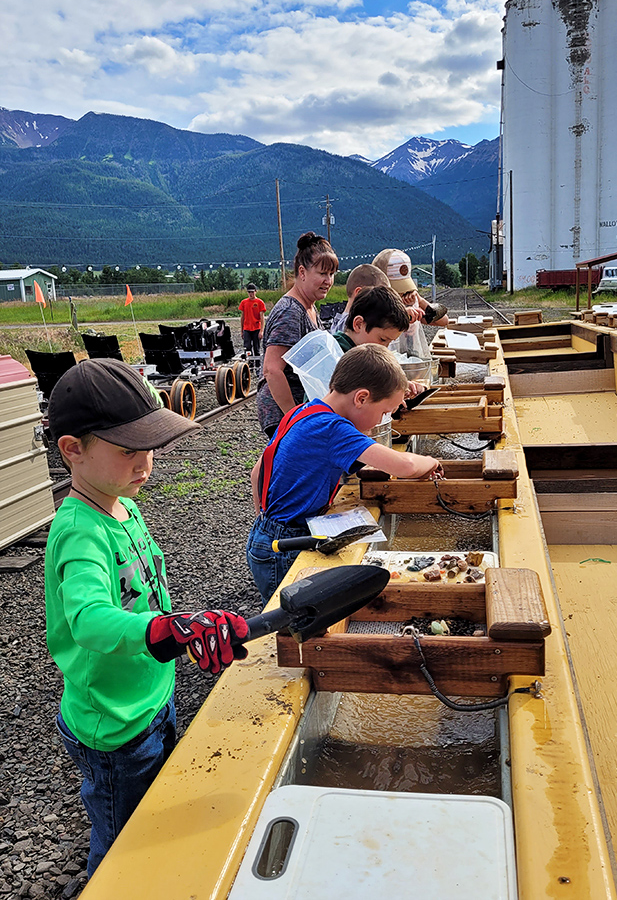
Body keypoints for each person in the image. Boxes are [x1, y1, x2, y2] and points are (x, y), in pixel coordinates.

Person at [45, 358, 249, 877]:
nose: (146, 464)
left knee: (152, 812)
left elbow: (144, 598)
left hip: (151, 696)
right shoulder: (80, 530)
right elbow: (90, 619)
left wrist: (183, 629)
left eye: (151, 448)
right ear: (72, 449)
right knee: (122, 840)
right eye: (128, 450)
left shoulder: (123, 505)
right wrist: (163, 630)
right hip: (114, 725)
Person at [247, 344, 443, 604]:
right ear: (361, 398)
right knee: (293, 616)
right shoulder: (333, 429)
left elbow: (257, 472)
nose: (382, 420)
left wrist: (266, 522)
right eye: (384, 412)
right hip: (288, 544)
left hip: (268, 534)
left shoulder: (304, 411)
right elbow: (405, 466)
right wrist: (430, 461)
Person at [257, 231, 338, 436]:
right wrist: (295, 418)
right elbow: (272, 370)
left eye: (331, 274)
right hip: (284, 412)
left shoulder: (309, 307)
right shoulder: (290, 311)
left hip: (301, 408)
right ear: (302, 272)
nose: (328, 281)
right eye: (322, 273)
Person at [372, 248, 449, 327]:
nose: (402, 292)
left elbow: (444, 321)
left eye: (404, 287)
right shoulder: (372, 306)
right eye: (396, 288)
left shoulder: (408, 302)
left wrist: (420, 301)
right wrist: (402, 313)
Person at [333, 285, 410, 352]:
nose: (385, 348)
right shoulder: (335, 354)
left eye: (389, 342)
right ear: (358, 324)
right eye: (382, 339)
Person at [239, 282, 266, 357]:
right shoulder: (244, 302)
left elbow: (262, 318)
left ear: (255, 291)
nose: (251, 294)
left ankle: (257, 363)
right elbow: (242, 317)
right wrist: (241, 330)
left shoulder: (260, 302)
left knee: (256, 348)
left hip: (256, 328)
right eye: (249, 292)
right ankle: (249, 362)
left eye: (252, 292)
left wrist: (261, 331)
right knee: (247, 348)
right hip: (247, 328)